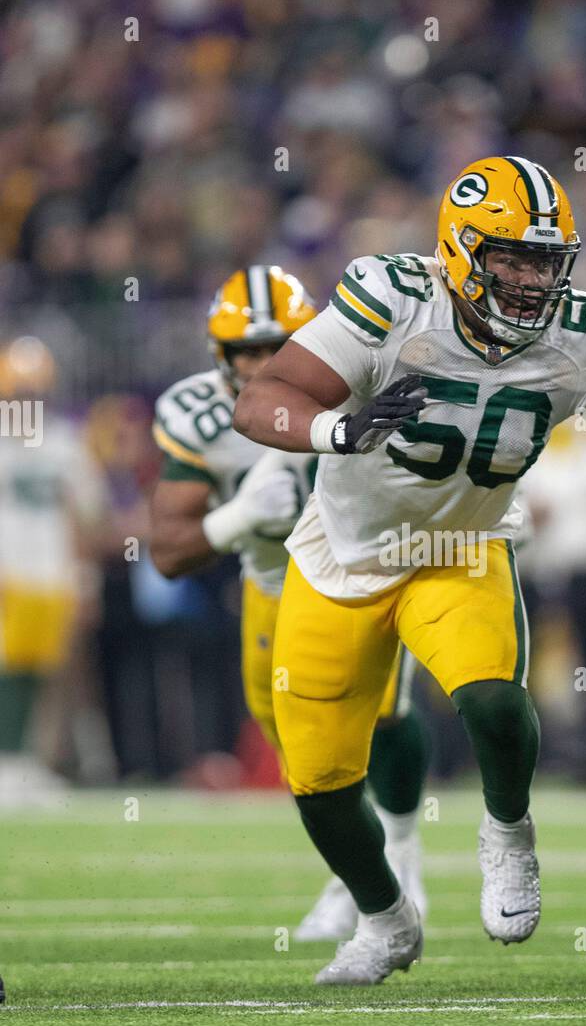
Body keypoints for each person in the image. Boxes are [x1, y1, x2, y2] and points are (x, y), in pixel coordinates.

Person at [233, 155, 586, 986]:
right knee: (322, 782)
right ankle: (385, 920)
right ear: (460, 249)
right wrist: (337, 429)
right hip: (344, 554)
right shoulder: (393, 299)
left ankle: (508, 833)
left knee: (494, 699)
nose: (530, 279)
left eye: (546, 260)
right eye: (512, 257)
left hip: (461, 547)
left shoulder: (582, 332)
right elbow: (265, 396)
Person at [149, 266, 428, 937]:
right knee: (295, 743)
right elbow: (167, 551)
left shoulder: (357, 376)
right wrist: (236, 517)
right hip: (272, 582)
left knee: (384, 716)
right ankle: (356, 872)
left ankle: (400, 865)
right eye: (248, 351)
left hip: (360, 567)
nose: (264, 363)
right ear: (221, 355)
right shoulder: (200, 417)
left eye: (279, 346)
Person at [0, 337, 106, 806]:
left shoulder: (64, 444)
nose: (27, 402)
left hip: (52, 576)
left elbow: (83, 515)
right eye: (20, 393)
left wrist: (84, 579)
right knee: (9, 671)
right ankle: (7, 762)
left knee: (47, 675)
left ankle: (31, 766)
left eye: (33, 392)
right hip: (10, 575)